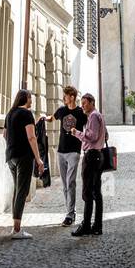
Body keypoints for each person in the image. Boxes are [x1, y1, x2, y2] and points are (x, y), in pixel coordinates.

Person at [4, 88, 44, 239]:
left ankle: (15, 226)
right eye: (30, 97)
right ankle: (16, 230)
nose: (31, 100)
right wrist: (39, 159)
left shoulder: (10, 113)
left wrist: (13, 145)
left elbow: (5, 134)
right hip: (24, 157)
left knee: (18, 190)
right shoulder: (27, 114)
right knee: (22, 191)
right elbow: (31, 137)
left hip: (11, 156)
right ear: (25, 98)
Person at [68, 92, 106, 237]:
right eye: (82, 103)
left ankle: (86, 226)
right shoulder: (99, 115)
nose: (82, 106)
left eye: (84, 103)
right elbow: (105, 135)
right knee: (96, 192)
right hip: (98, 155)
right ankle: (97, 226)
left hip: (91, 156)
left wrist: (77, 133)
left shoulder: (93, 116)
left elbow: (92, 136)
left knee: (87, 192)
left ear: (91, 102)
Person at [52, 85, 87, 227]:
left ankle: (70, 214)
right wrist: (43, 119)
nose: (63, 98)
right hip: (60, 151)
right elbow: (51, 118)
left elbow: (90, 123)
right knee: (65, 184)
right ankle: (70, 211)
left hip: (74, 151)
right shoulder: (61, 110)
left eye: (65, 95)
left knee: (70, 182)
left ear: (71, 97)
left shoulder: (80, 113)